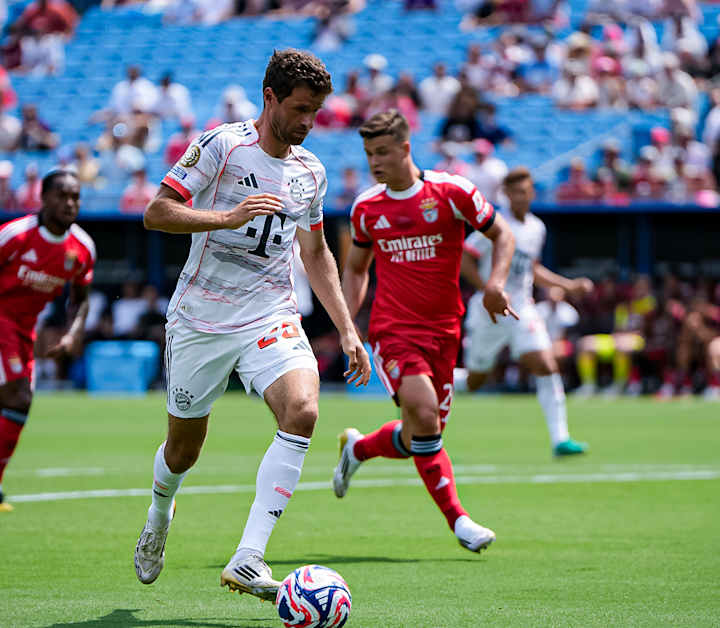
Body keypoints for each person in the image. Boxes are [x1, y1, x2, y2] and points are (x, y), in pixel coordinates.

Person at [135, 49, 371, 600]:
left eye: (315, 111)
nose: (308, 122)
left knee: (303, 409)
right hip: (202, 319)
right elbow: (156, 212)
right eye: (300, 109)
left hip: (270, 312)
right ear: (270, 98)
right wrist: (227, 216)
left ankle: (248, 557)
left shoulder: (310, 172)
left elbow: (315, 252)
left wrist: (347, 328)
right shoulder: (222, 146)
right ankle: (160, 511)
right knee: (183, 451)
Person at [334, 110, 515, 553]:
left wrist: (495, 284)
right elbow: (356, 269)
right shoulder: (367, 208)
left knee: (420, 436)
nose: (375, 162)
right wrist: (347, 326)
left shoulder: (452, 192)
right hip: (394, 331)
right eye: (369, 154)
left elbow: (503, 234)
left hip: (445, 332)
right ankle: (460, 521)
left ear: (405, 148)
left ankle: (358, 450)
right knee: (424, 414)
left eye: (382, 152)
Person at [0, 169, 95, 511]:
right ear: (43, 198)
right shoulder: (16, 234)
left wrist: (72, 333)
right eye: (62, 196)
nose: (70, 203)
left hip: (25, 329)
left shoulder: (82, 247)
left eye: (75, 197)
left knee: (1, 417)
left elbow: (81, 299)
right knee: (20, 400)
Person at [461, 168, 591, 455]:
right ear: (506, 194)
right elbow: (465, 259)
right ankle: (425, 390)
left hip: (521, 308)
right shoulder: (494, 223)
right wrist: (488, 291)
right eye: (518, 191)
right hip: (489, 312)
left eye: (528, 191)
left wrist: (567, 285)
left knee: (545, 364)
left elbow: (532, 269)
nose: (524, 196)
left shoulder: (536, 228)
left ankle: (560, 439)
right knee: (475, 380)